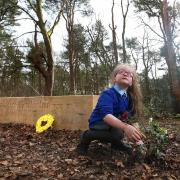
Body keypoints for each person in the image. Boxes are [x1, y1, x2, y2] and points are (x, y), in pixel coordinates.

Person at [77, 64, 143, 155]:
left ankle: (116, 144)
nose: (125, 74)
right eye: (121, 72)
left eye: (129, 74)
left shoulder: (128, 98)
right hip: (99, 123)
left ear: (131, 82)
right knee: (118, 133)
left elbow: (129, 117)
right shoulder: (108, 93)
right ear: (115, 78)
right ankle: (87, 135)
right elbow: (106, 116)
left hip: (113, 125)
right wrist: (126, 127)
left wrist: (135, 134)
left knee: (119, 133)